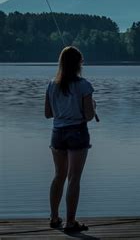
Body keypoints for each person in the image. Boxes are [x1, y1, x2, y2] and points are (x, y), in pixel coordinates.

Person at [44, 46, 96, 232]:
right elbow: (89, 116)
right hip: (77, 133)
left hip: (57, 133)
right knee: (73, 178)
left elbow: (47, 113)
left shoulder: (51, 84)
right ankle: (70, 222)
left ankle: (54, 217)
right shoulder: (84, 86)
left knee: (59, 175)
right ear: (78, 64)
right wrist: (92, 106)